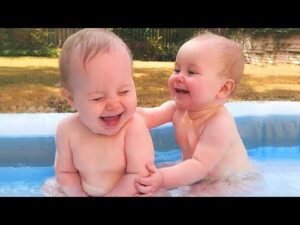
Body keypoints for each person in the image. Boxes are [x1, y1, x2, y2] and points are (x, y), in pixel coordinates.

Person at [135, 33, 260, 196]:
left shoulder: (219, 122)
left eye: (191, 72)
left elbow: (199, 165)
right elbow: (144, 117)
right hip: (196, 172)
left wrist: (162, 178)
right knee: (150, 177)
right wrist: (121, 113)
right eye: (177, 69)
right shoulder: (176, 109)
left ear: (223, 88)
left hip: (227, 181)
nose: (179, 77)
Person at [43, 28, 154, 197]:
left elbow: (139, 175)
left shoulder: (134, 127)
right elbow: (65, 173)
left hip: (130, 193)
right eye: (97, 98)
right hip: (85, 191)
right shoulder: (67, 130)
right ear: (71, 99)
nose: (113, 104)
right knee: (50, 187)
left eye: (124, 91)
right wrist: (78, 194)